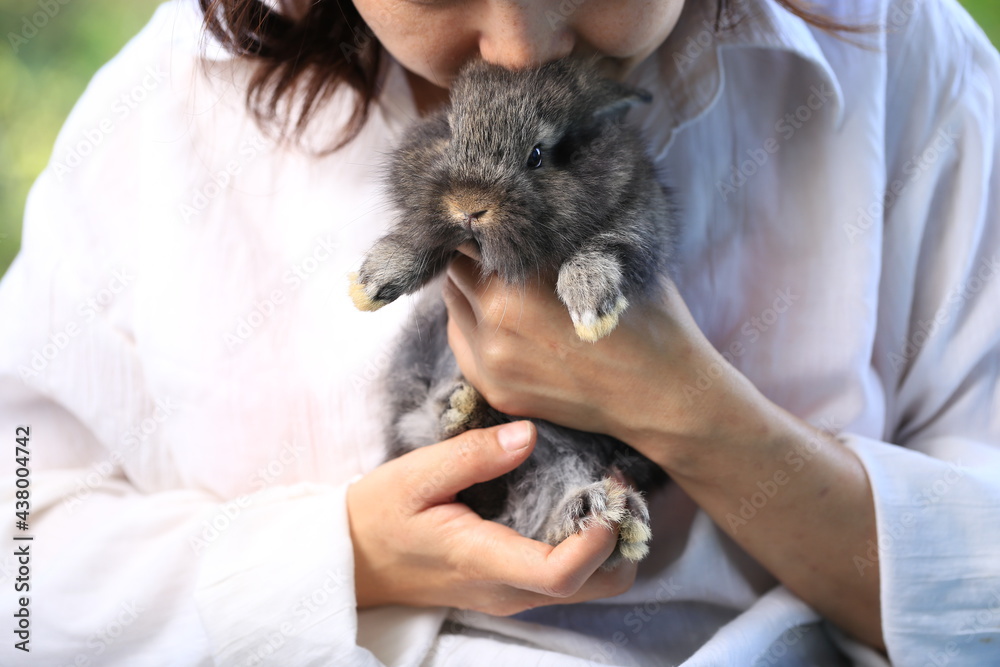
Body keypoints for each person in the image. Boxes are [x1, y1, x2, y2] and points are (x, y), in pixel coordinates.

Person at [1, 0, 998, 664]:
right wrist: (347, 557)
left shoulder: (914, 76)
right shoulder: (159, 119)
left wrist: (694, 416)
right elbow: (23, 575)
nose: (521, 44)